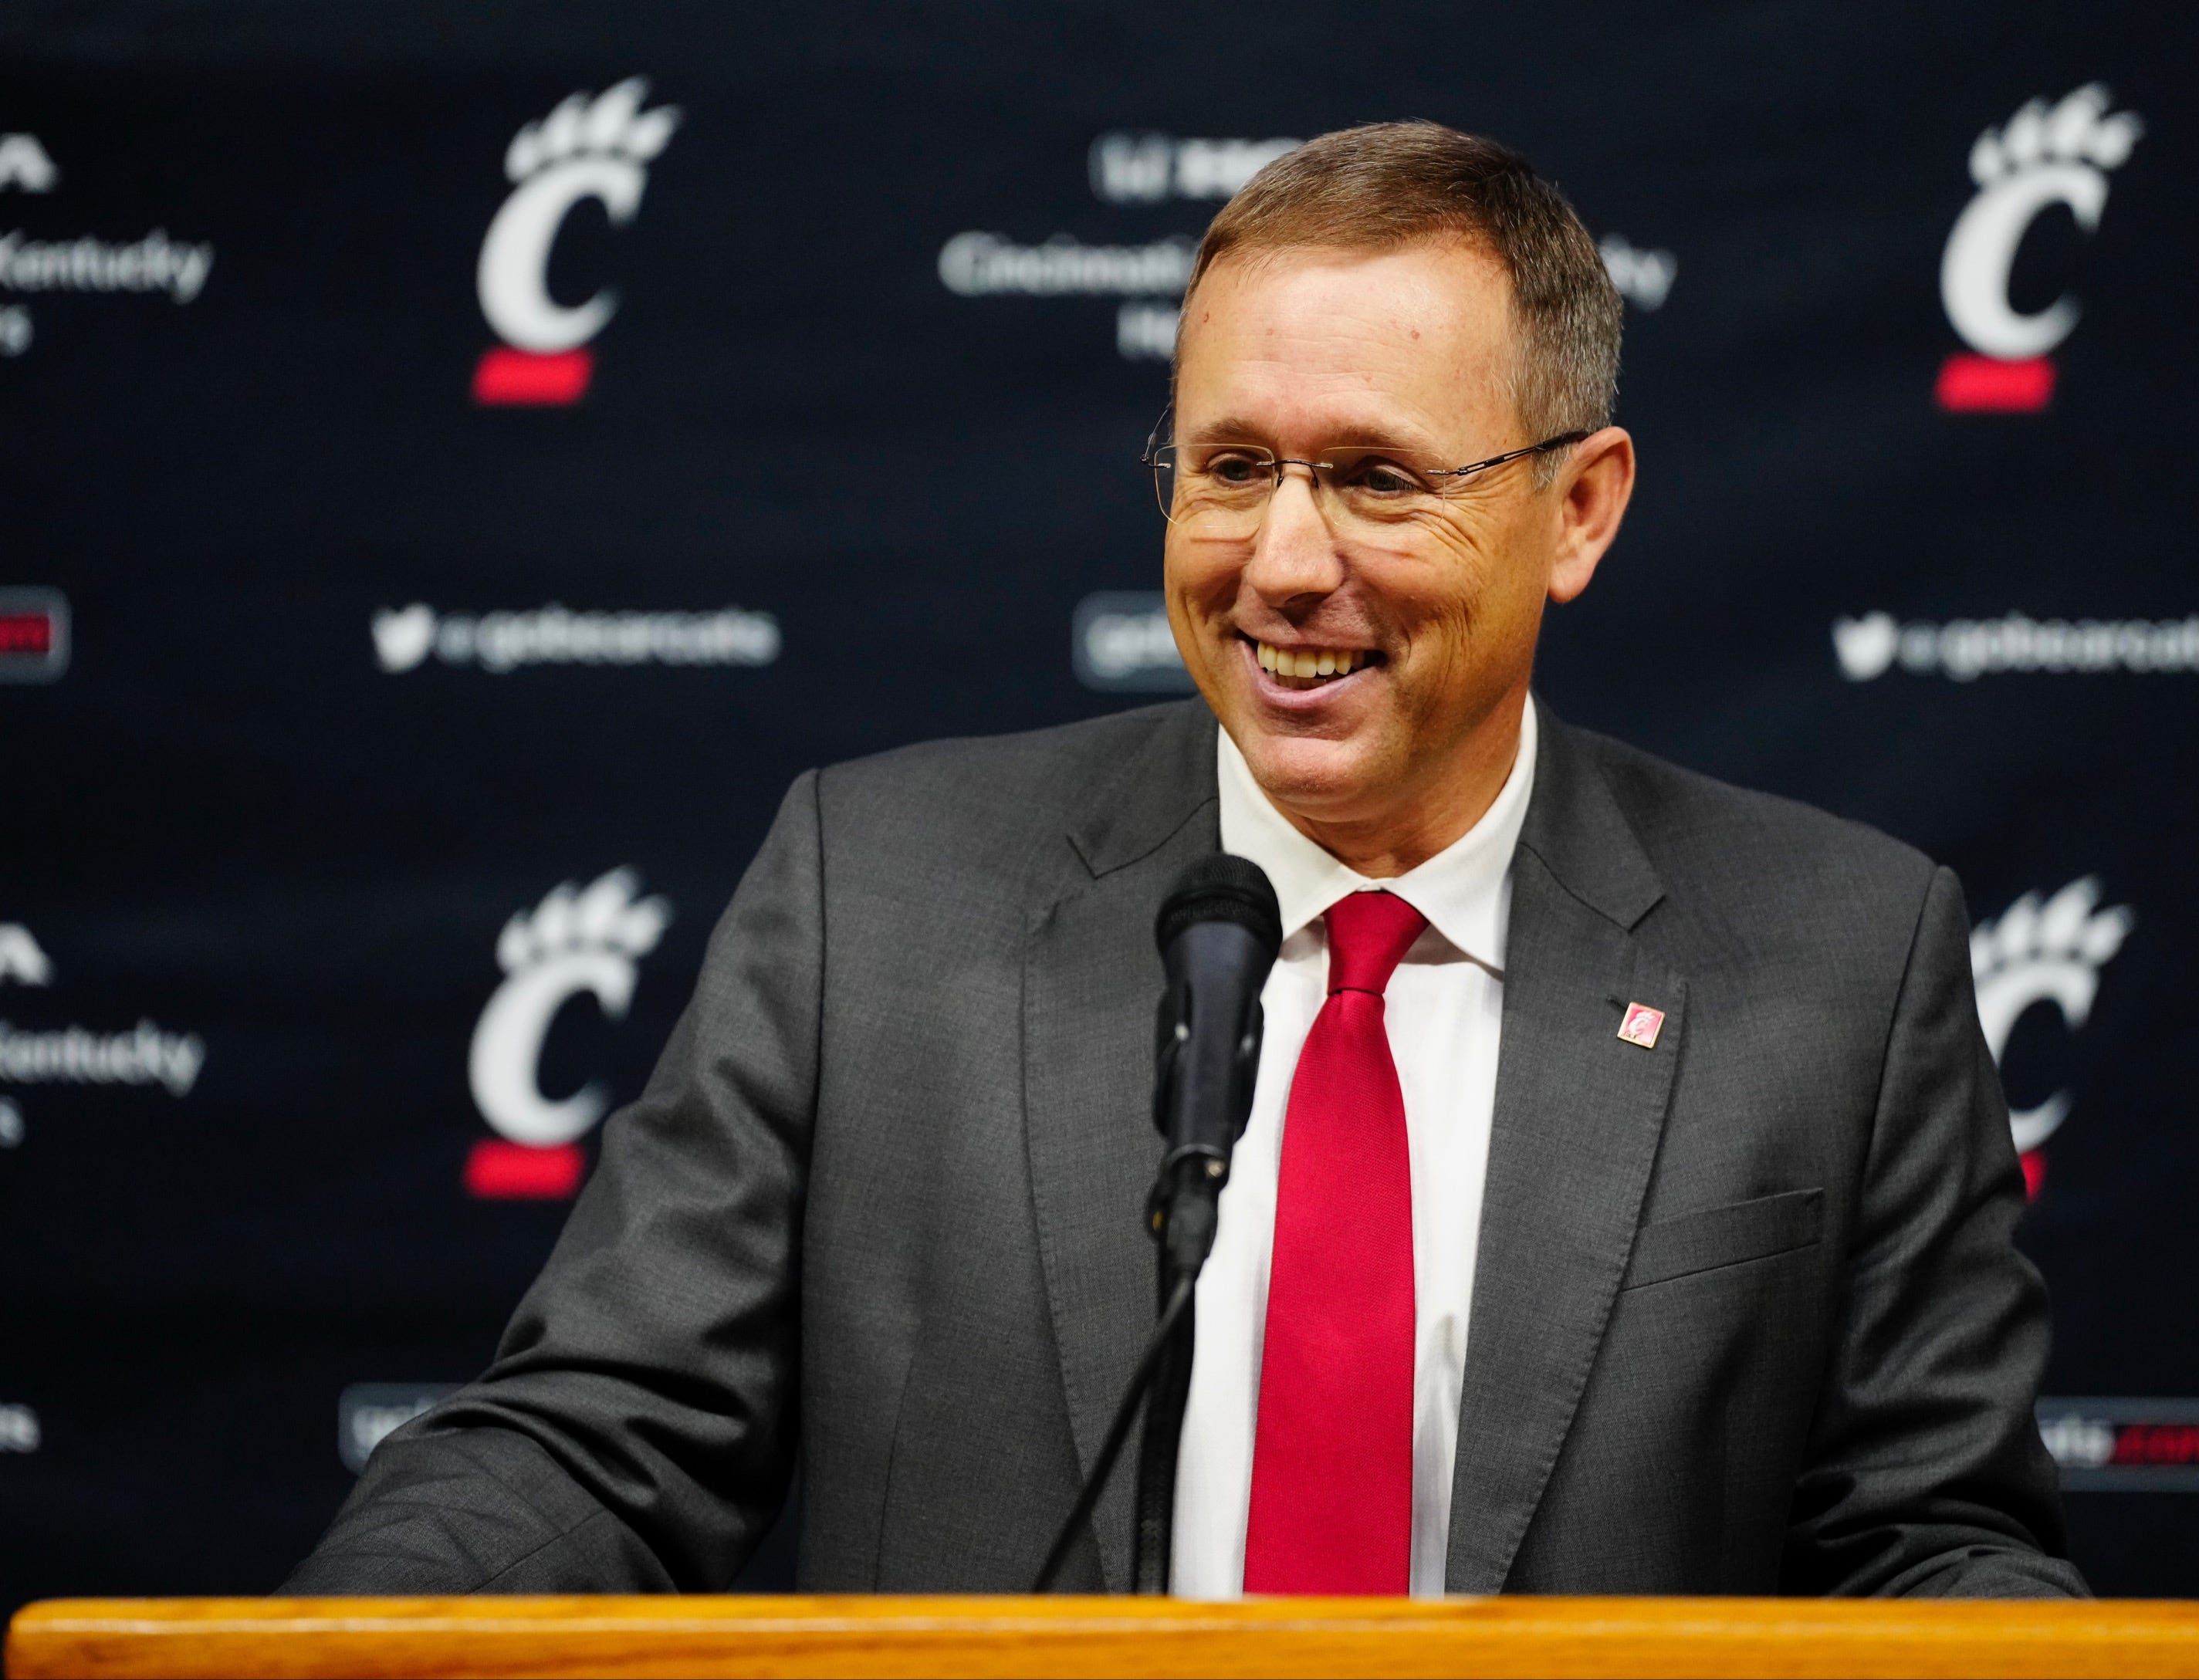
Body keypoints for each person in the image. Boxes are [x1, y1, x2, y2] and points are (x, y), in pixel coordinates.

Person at [288, 121, 2084, 1600]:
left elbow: (1930, 1546)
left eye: (1377, 478)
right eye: (1232, 466)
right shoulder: (873, 899)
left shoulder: (1842, 962)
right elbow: (600, 1443)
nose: (1283, 564)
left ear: (1581, 508)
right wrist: (324, 1645)